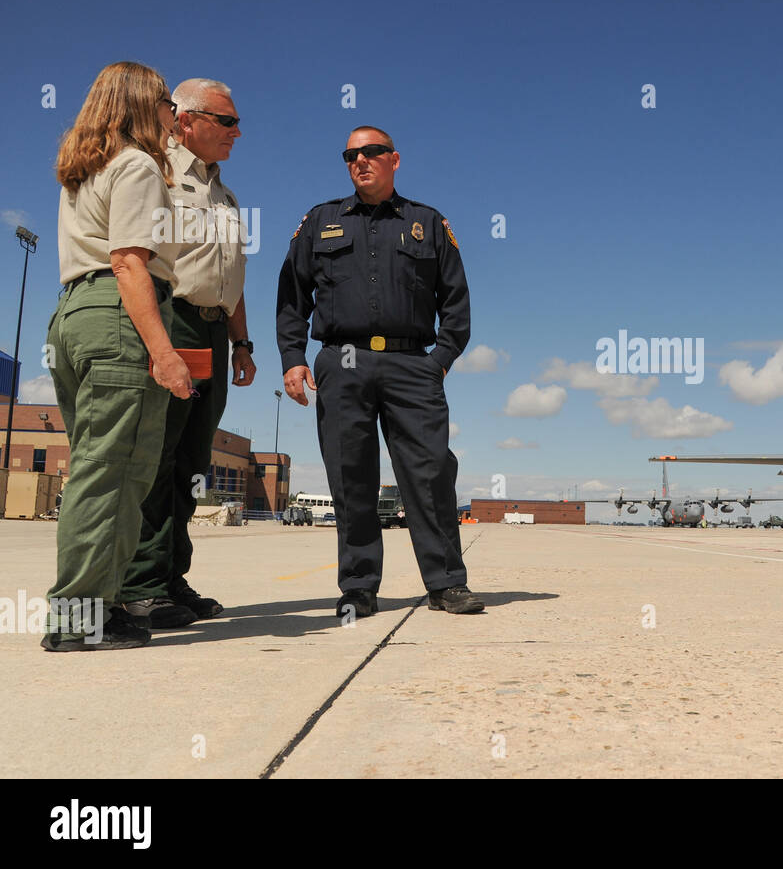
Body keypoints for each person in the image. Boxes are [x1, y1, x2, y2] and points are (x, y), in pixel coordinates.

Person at [276, 126, 481, 617]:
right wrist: (293, 358)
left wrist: (438, 364)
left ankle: (447, 583)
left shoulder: (427, 223)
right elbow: (292, 297)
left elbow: (456, 303)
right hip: (341, 361)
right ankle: (359, 587)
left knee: (430, 473)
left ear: (394, 159)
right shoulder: (320, 221)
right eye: (351, 154)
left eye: (371, 152)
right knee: (351, 477)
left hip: (412, 363)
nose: (360, 160)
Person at [43, 61, 192, 651]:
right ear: (140, 105)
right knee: (115, 473)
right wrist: (165, 350)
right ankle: (80, 617)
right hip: (117, 314)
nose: (171, 116)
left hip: (74, 315)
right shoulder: (135, 165)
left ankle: (93, 607)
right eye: (164, 103)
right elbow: (130, 261)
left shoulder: (82, 171)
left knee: (95, 468)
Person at [121, 78, 254, 627]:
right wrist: (158, 343)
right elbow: (133, 259)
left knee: (192, 460)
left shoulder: (225, 194)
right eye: (226, 121)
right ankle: (140, 584)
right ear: (185, 119)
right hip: (170, 318)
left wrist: (241, 342)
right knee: (157, 456)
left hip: (214, 331)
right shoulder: (157, 173)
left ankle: (172, 578)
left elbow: (233, 276)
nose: (236, 132)